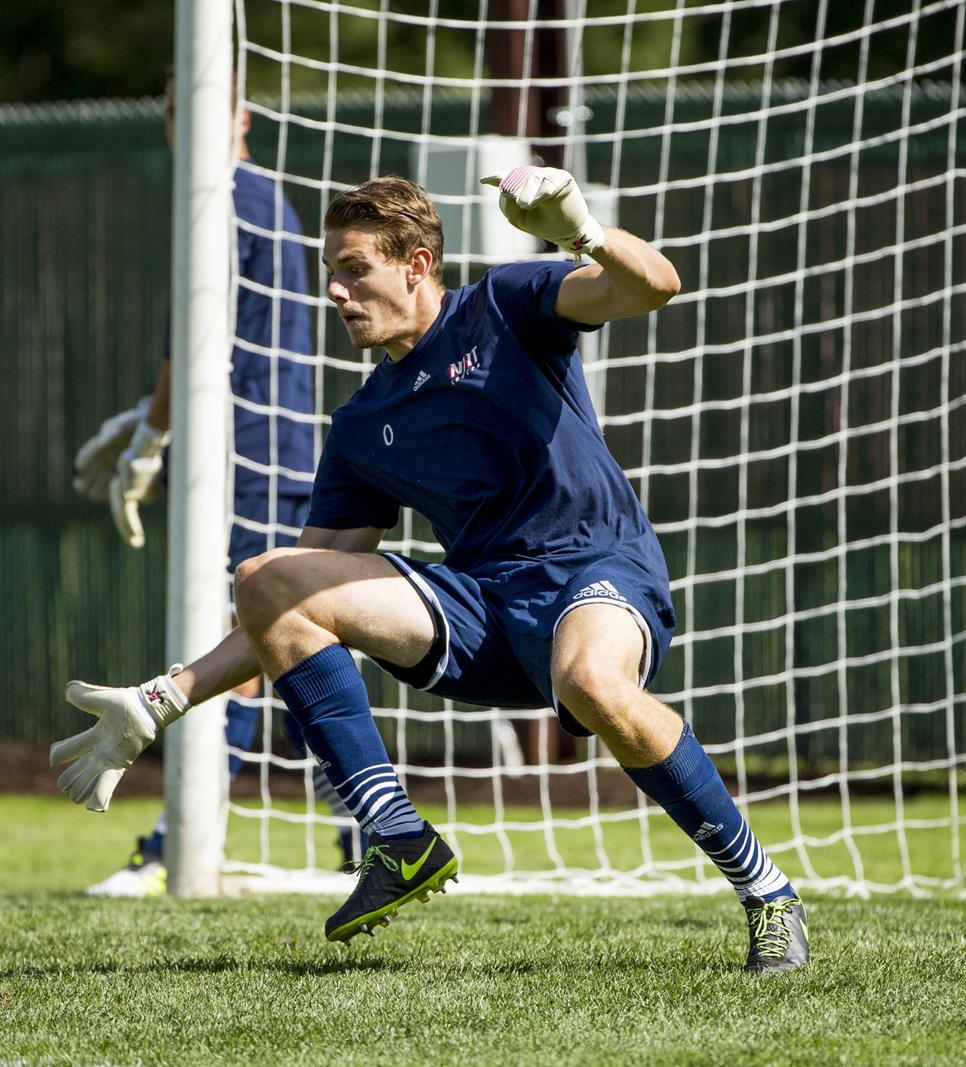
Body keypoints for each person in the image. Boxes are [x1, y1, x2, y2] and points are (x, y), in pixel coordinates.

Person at [53, 166, 810, 973]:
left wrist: (582, 230)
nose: (337, 292)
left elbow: (655, 286)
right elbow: (284, 609)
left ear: (416, 265)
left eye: (355, 269)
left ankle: (769, 895)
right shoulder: (360, 425)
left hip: (597, 572)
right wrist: (160, 700)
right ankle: (396, 834)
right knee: (267, 575)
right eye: (331, 273)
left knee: (591, 678)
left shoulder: (506, 304)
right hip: (481, 608)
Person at [70, 76, 361, 897]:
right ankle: (366, 822)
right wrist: (147, 421)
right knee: (288, 638)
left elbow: (194, 346)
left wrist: (153, 435)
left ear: (241, 119)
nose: (182, 128)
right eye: (173, 113)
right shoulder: (262, 197)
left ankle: (178, 840)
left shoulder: (227, 197)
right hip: (269, 451)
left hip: (252, 459)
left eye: (197, 111)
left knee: (252, 639)